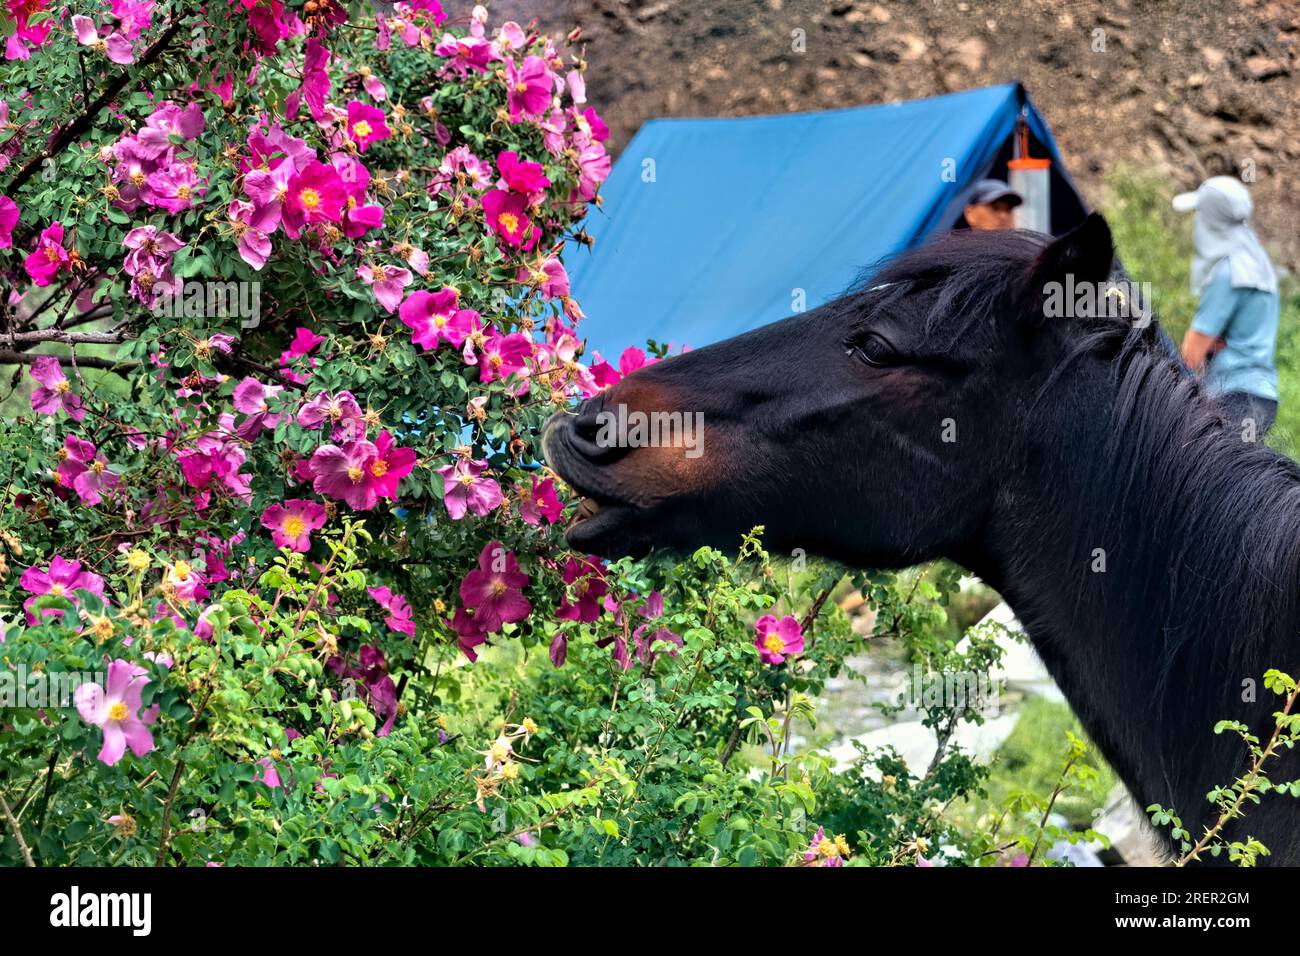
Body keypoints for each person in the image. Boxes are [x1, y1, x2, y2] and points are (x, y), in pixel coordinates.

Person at [1174, 176, 1280, 435]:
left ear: (1211, 219)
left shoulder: (1230, 272)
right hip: (1261, 398)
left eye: (1200, 213)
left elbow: (1190, 355)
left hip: (1231, 397)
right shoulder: (1258, 263)